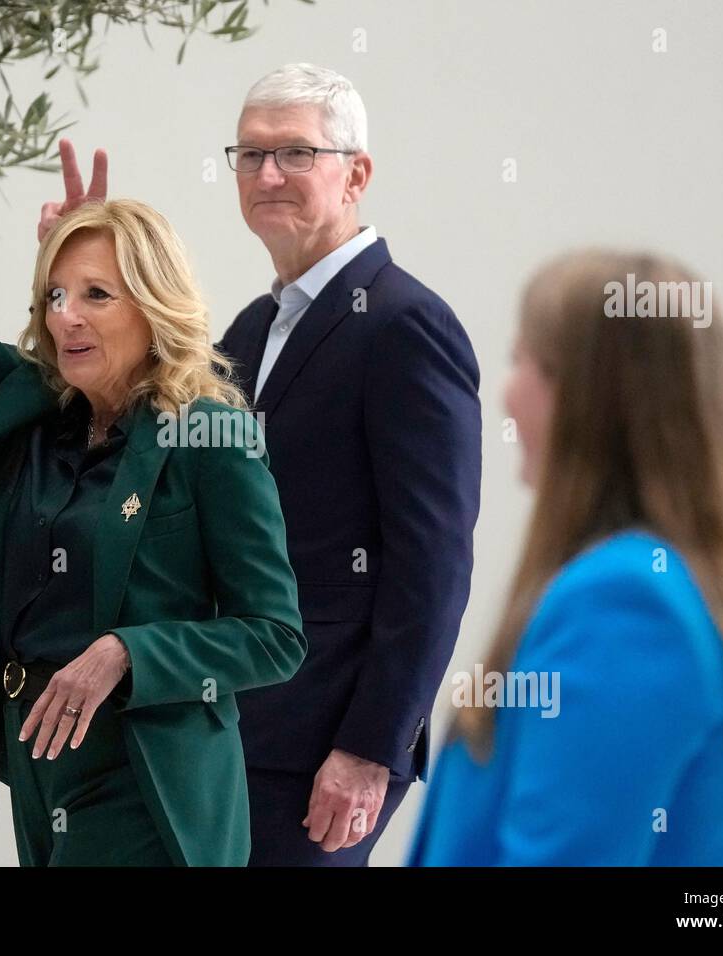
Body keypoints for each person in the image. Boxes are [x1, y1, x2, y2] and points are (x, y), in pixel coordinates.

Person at [0, 32, 306, 866]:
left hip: (146, 782)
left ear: (153, 305)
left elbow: (273, 634)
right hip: (35, 766)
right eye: (57, 293)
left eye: (97, 294)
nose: (66, 315)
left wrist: (129, 652)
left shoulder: (212, 434)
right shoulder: (30, 401)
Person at [39, 64, 483, 866]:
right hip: (220, 735)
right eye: (249, 155)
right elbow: (126, 413)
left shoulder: (406, 326)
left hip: (321, 751)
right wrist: (83, 278)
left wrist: (370, 750)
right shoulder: (246, 331)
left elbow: (434, 563)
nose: (267, 174)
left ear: (358, 174)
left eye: (295, 154)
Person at [408, 249, 723, 865]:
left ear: (589, 399)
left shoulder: (628, 603)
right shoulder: (681, 585)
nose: (505, 396)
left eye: (522, 361)